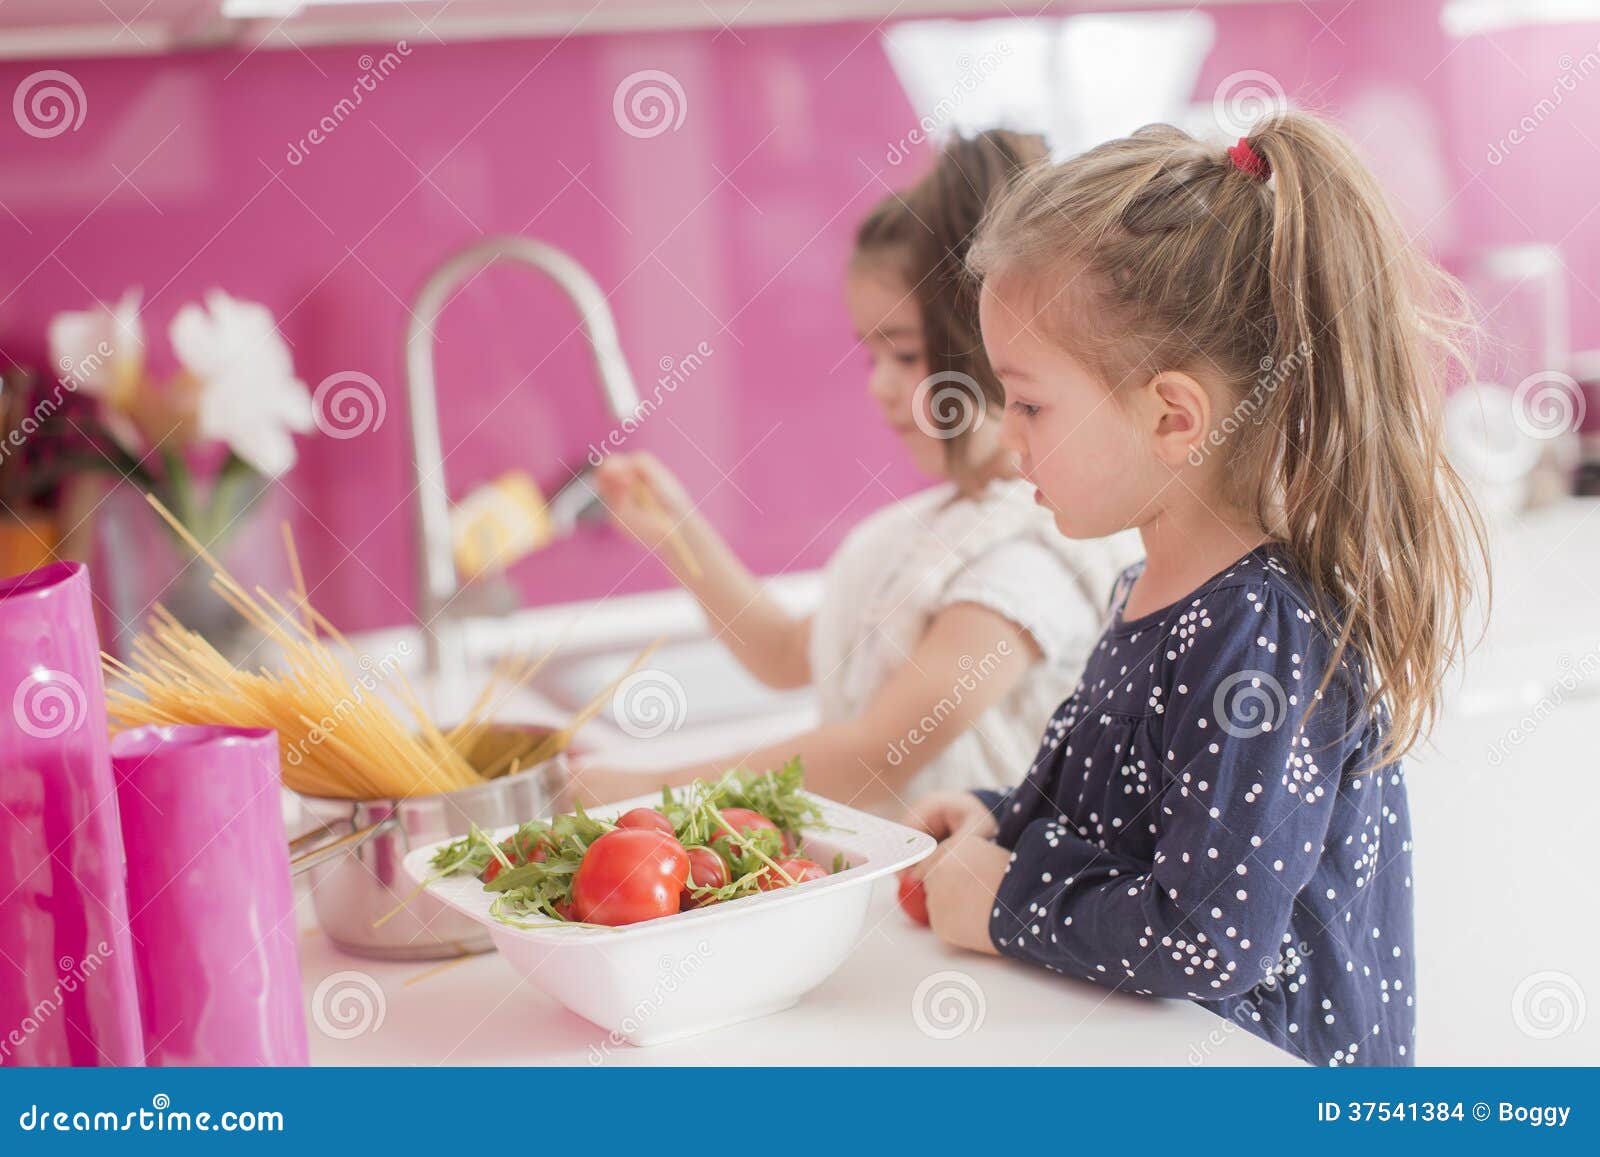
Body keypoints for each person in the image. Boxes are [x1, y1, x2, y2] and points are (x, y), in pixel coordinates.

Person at [908, 112, 1487, 1067]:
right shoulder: (1155, 588)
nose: (1006, 435)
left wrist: (1007, 902)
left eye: (1032, 401)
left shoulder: (1259, 633)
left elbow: (1207, 935)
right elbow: (1123, 814)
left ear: (1174, 418)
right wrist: (995, 818)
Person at [572, 130, 1136, 813]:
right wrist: (675, 536)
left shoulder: (1031, 556)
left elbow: (875, 752)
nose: (878, 387)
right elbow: (784, 653)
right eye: (871, 357)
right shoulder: (944, 533)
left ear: (988, 340)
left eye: (903, 354)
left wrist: (646, 786)